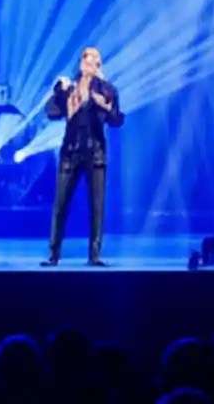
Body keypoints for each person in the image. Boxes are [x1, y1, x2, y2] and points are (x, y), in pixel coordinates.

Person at [42, 47, 124, 267]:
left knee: (97, 206)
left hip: (95, 154)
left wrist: (100, 101)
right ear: (80, 63)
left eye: (94, 60)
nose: (89, 64)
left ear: (99, 65)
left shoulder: (106, 90)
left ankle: (94, 255)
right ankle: (54, 254)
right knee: (60, 205)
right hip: (71, 151)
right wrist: (58, 91)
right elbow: (52, 113)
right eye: (86, 60)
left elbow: (116, 119)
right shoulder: (70, 89)